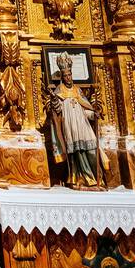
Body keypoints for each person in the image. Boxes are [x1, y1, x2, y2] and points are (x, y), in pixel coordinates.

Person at [49, 53, 103, 188]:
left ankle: (95, 177)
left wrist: (93, 115)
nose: (68, 78)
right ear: (62, 77)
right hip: (70, 126)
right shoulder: (59, 91)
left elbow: (86, 108)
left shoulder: (78, 90)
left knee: (91, 150)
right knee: (75, 153)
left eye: (70, 75)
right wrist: (55, 100)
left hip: (83, 125)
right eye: (65, 76)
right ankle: (78, 177)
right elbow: (57, 111)